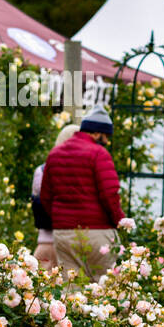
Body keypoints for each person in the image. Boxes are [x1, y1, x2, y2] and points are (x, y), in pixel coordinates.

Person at [40, 107, 124, 282]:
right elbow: (110, 195)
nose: (107, 141)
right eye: (106, 136)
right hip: (97, 232)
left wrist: (61, 219)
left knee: (72, 288)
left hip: (64, 233)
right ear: (96, 133)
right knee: (105, 285)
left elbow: (46, 197)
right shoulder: (99, 154)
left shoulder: (54, 154)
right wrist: (119, 221)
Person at [31, 124, 79, 270]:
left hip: (46, 243)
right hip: (73, 245)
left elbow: (37, 201)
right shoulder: (84, 174)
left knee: (38, 287)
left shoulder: (41, 171)